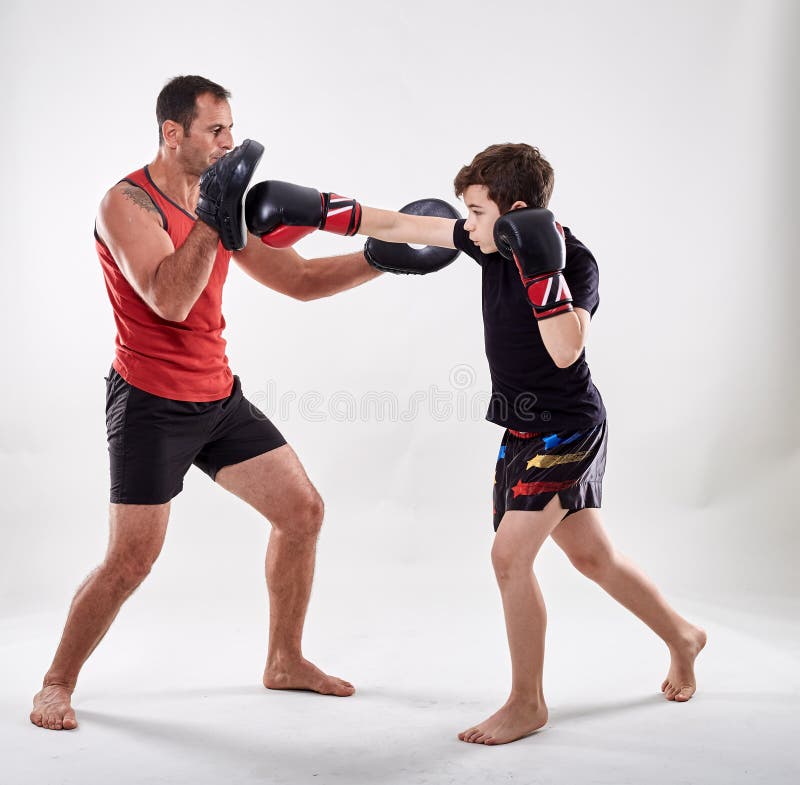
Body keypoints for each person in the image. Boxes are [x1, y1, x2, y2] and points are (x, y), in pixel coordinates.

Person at [29, 75, 457, 732]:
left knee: (302, 512)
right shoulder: (126, 204)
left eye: (231, 128)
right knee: (132, 560)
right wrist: (212, 218)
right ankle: (56, 682)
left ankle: (284, 659)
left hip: (218, 397)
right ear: (173, 133)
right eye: (215, 130)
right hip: (151, 403)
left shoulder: (217, 204)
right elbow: (169, 300)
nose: (229, 142)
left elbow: (300, 280)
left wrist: (380, 258)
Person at [243, 142, 708, 746]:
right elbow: (401, 225)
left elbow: (566, 350)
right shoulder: (487, 240)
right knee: (593, 557)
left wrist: (541, 272)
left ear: (515, 214)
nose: (467, 224)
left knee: (509, 557)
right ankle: (683, 636)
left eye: (477, 212)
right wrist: (317, 209)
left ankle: (527, 703)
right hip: (522, 428)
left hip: (569, 427)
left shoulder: (573, 261)